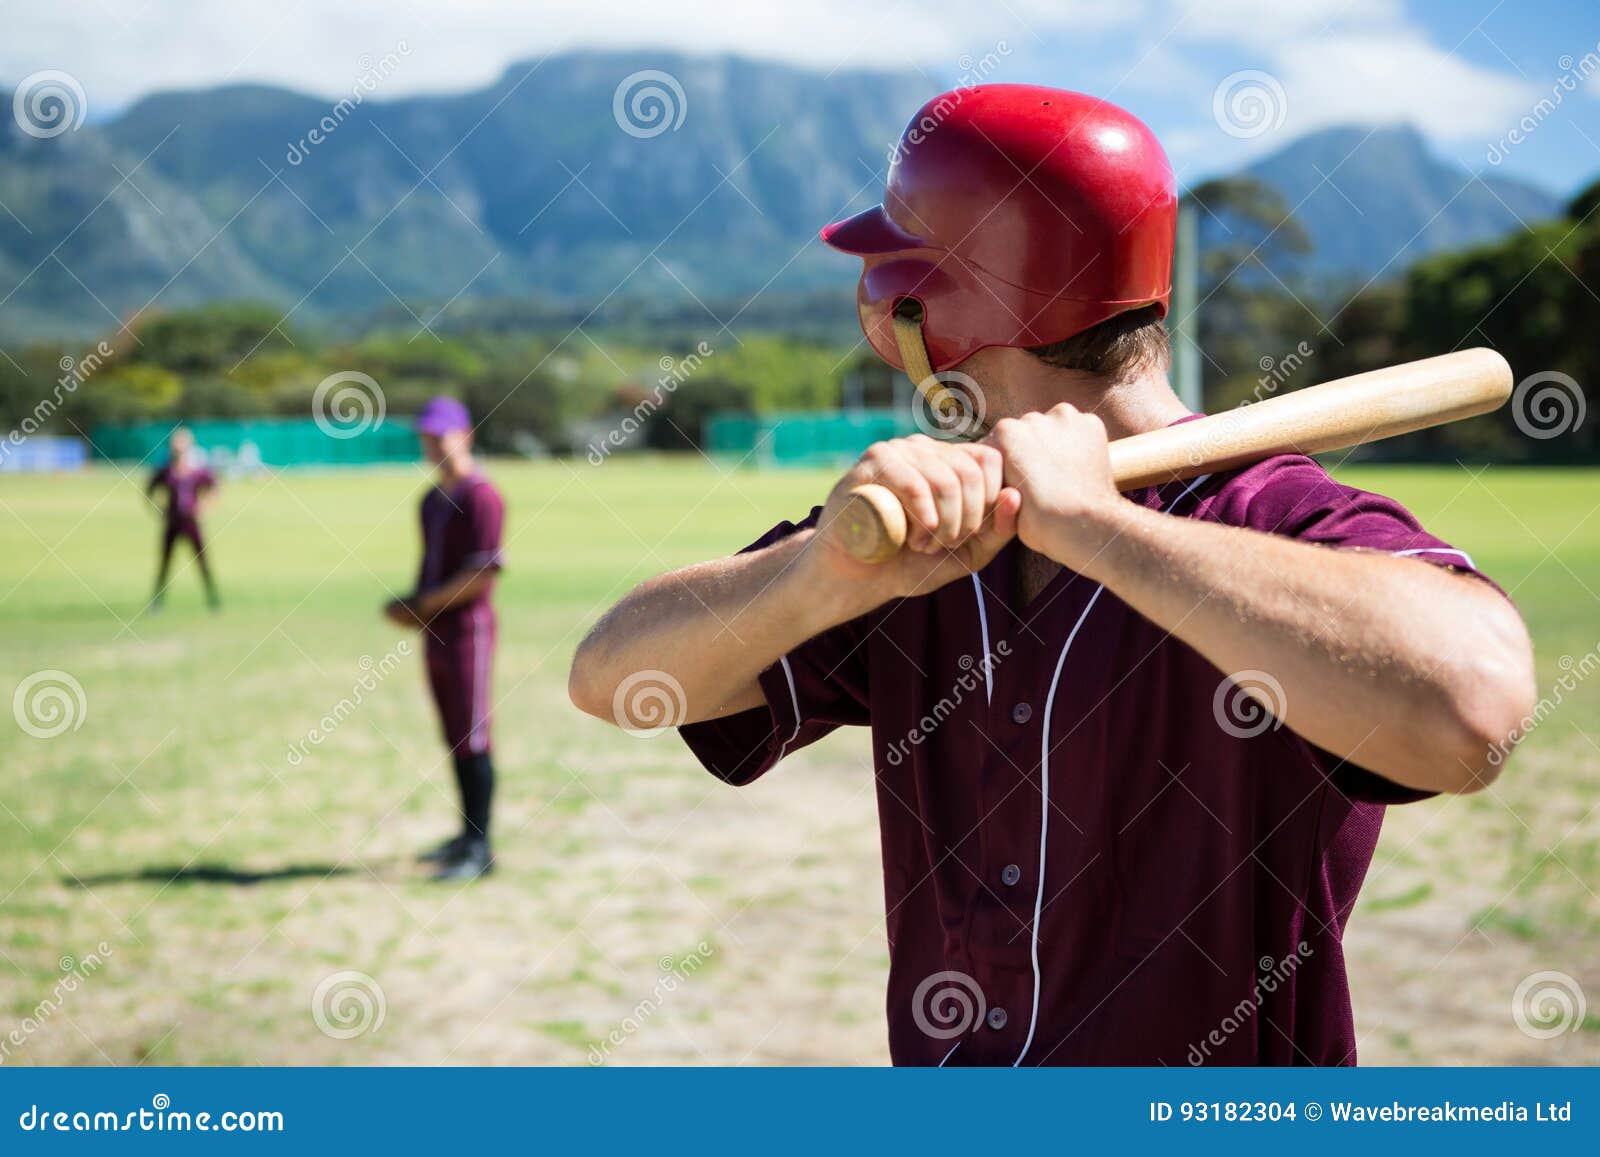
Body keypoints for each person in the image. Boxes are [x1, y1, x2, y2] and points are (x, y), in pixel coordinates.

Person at [569, 86, 1538, 1065]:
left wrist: (1102, 529)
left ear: (921, 312)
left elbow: (1470, 714)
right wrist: (820, 577)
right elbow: (610, 676)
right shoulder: (927, 527)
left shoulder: (1266, 517)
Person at [385, 397, 505, 882]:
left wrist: (424, 604)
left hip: (467, 631)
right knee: (455, 733)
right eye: (426, 436)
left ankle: (481, 848)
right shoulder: (432, 499)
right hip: (436, 631)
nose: (433, 445)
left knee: (474, 734)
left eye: (442, 435)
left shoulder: (481, 496)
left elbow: (484, 572)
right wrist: (413, 606)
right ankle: (465, 834)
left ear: (466, 434)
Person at [146, 426, 220, 612]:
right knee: (165, 562)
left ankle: (213, 599)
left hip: (191, 522)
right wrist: (159, 511)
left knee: (202, 561)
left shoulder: (196, 471)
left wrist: (203, 508)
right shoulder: (166, 471)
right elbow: (149, 492)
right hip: (172, 522)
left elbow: (214, 488)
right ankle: (157, 601)